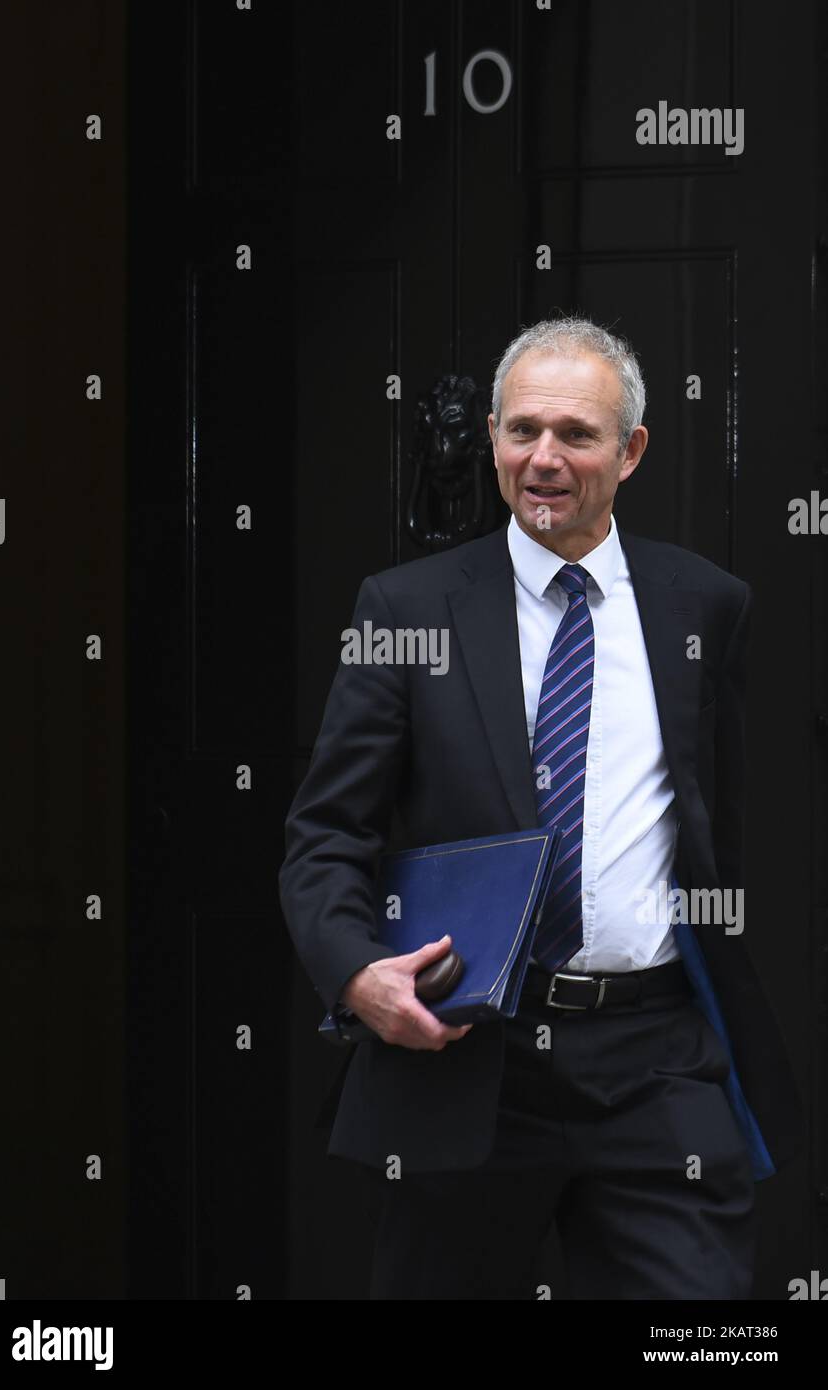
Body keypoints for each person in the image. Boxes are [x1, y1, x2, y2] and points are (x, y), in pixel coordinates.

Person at [278, 316, 805, 1300]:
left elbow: (723, 823)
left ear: (630, 450)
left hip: (653, 1057)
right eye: (520, 431)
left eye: (575, 434)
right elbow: (324, 836)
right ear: (488, 437)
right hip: (471, 1055)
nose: (543, 460)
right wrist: (355, 975)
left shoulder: (705, 604)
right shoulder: (407, 609)